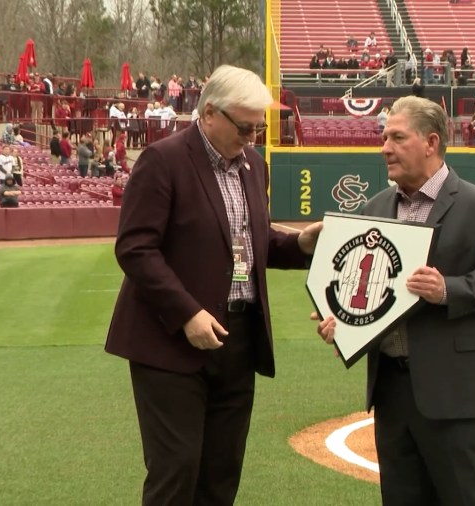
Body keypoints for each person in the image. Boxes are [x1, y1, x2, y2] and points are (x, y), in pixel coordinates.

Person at [104, 64, 322, 506]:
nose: (253, 136)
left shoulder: (253, 167)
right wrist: (186, 312)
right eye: (245, 126)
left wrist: (298, 243)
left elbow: (248, 245)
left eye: (258, 127)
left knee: (222, 474)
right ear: (208, 114)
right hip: (171, 345)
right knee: (177, 470)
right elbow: (135, 248)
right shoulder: (163, 160)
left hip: (238, 341)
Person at [314, 96, 475, 505]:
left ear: (431, 142)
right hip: (393, 391)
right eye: (383, 137)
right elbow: (369, 292)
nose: (385, 147)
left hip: (458, 392)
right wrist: (342, 321)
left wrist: (449, 289)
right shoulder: (376, 208)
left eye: (397, 137)